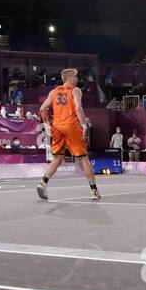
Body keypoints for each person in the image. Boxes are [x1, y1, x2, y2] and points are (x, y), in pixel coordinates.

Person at [36, 68, 100, 201]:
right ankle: (94, 191)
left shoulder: (53, 92)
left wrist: (47, 125)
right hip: (72, 126)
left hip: (57, 127)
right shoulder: (75, 90)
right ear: (70, 78)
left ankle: (43, 183)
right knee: (84, 158)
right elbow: (78, 108)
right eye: (76, 77)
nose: (77, 79)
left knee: (57, 159)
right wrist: (84, 126)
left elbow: (42, 109)